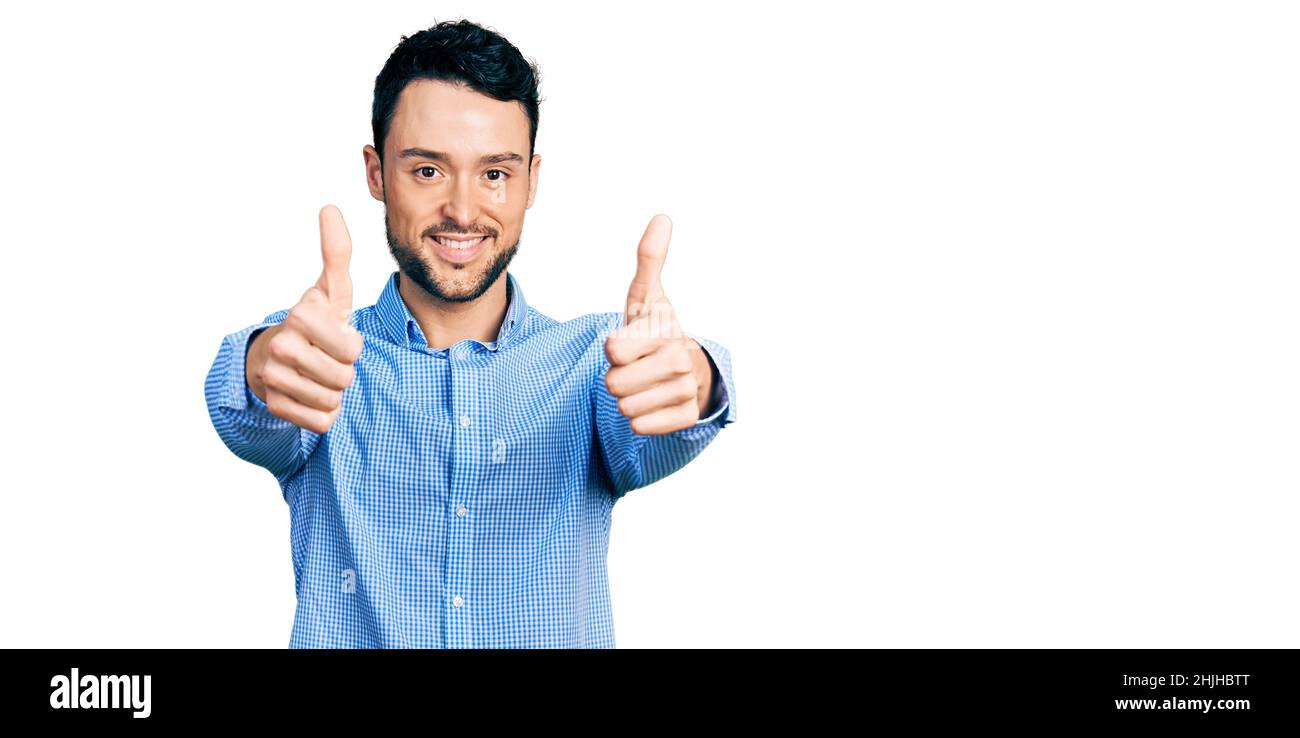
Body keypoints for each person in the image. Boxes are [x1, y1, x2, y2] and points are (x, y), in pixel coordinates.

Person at [202, 19, 737, 648]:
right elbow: (248, 398)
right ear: (376, 174)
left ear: (531, 180)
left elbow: (660, 420)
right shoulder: (325, 362)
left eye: (495, 173)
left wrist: (695, 378)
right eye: (427, 171)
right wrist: (264, 364)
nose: (462, 210)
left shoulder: (597, 364)